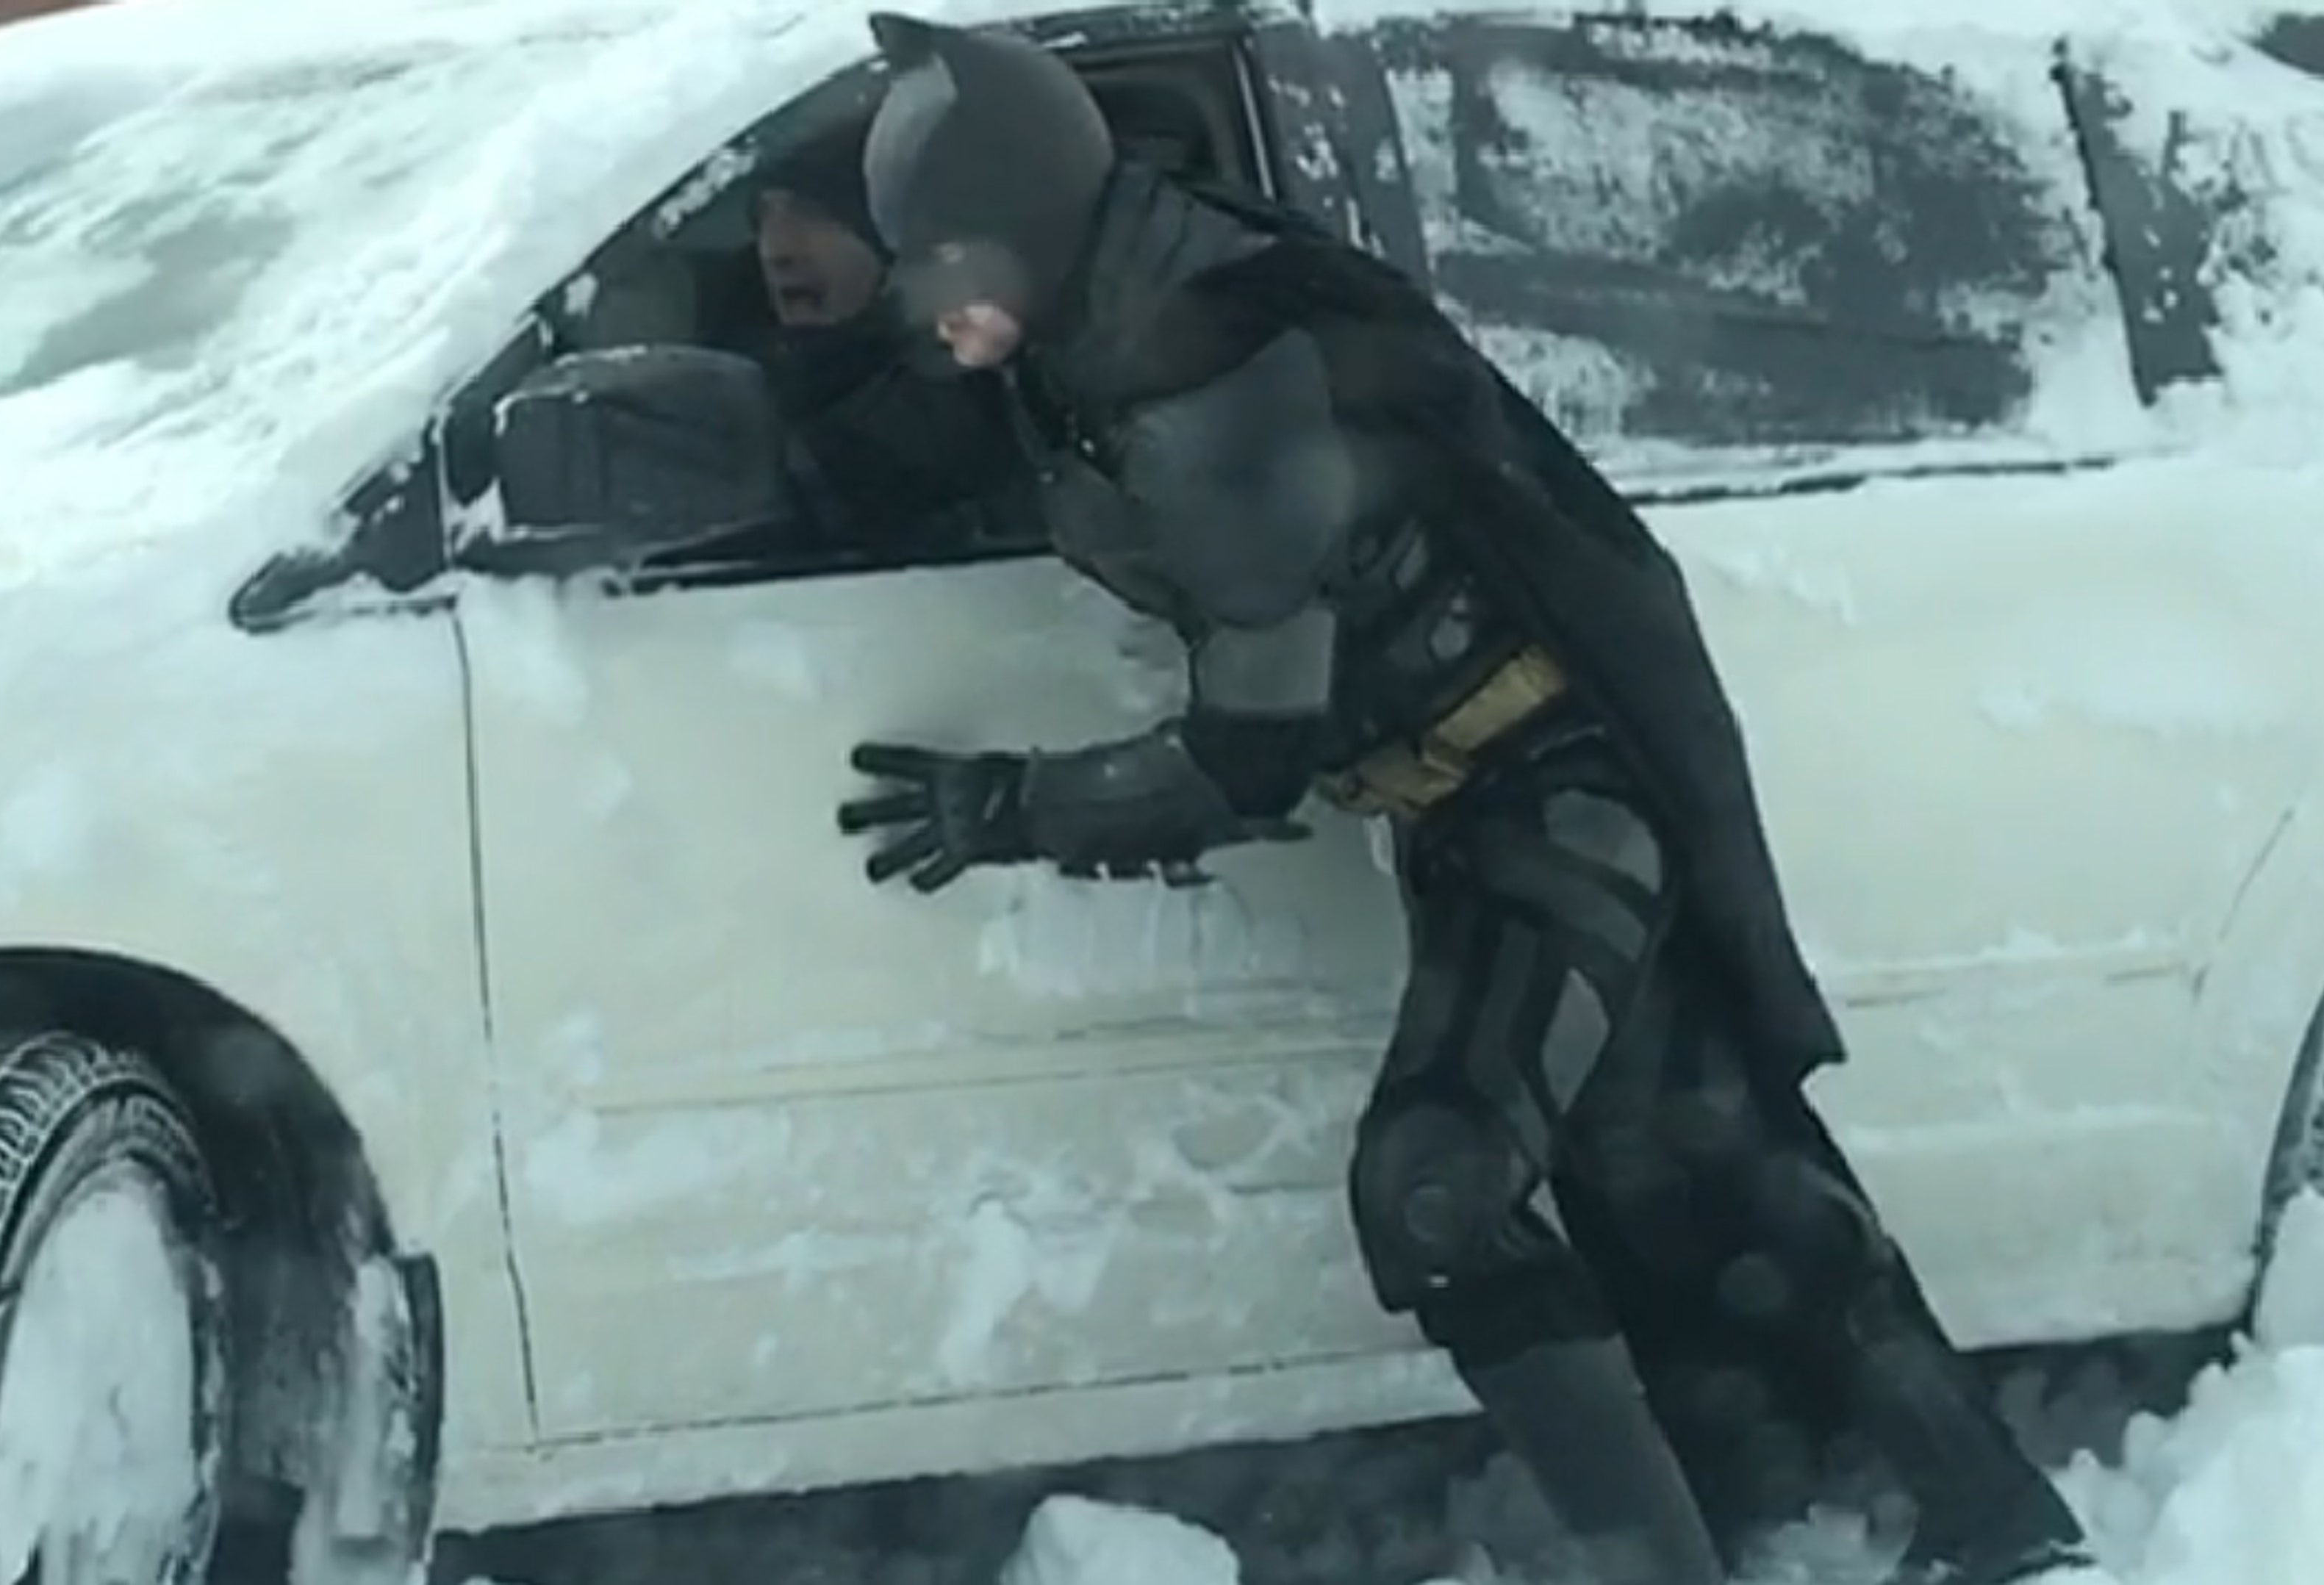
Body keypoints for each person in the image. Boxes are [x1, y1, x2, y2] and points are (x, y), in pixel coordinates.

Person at [827, 15, 2112, 1585]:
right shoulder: (1111, 298)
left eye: (944, 260)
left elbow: (1249, 758)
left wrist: (1012, 808)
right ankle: (1997, 1514)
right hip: (1484, 798)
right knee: (1715, 1156)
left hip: (1550, 791)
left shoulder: (1204, 372)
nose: (926, 299)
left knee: (1438, 1188)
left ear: (1028, 234)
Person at [722, 122, 1034, 563]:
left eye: (812, 215)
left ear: (895, 238)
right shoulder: (738, 381)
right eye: (763, 217)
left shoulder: (972, 405)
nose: (776, 250)